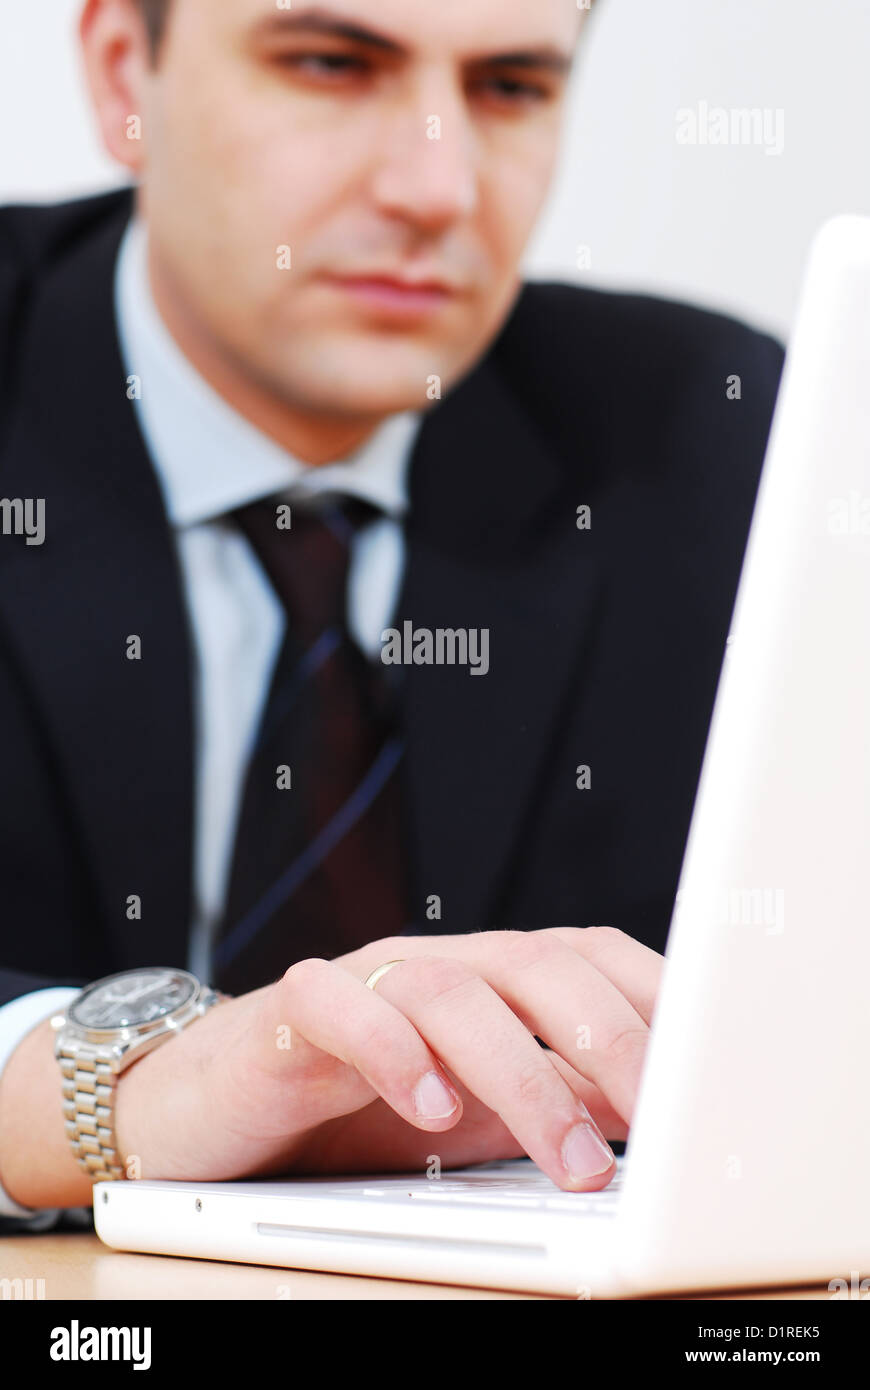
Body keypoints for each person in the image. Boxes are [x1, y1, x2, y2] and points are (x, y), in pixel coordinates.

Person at [0, 0, 784, 1224]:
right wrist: (132, 1096)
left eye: (511, 86)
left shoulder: (715, 444)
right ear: (121, 75)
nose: (437, 187)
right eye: (328, 63)